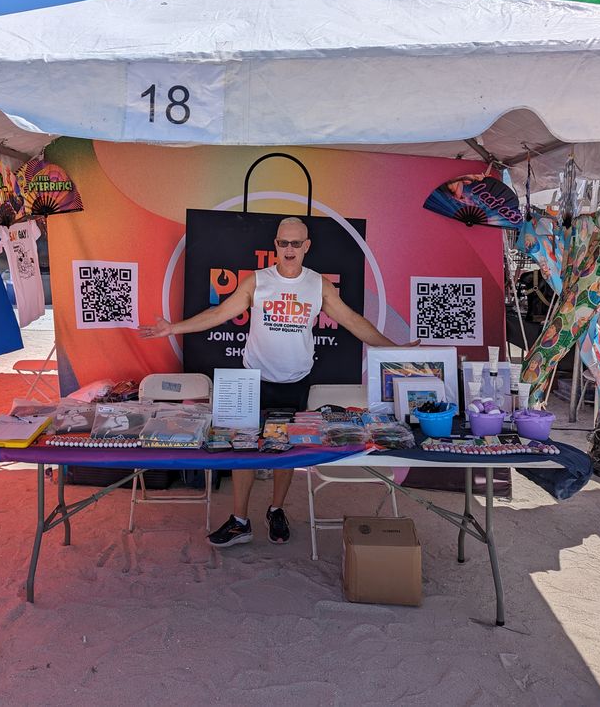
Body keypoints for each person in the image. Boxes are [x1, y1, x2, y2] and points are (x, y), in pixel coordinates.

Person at [140, 217, 412, 548]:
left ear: (307, 246)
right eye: (283, 243)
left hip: (294, 381)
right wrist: (173, 328)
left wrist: (392, 348)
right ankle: (240, 520)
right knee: (242, 448)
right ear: (275, 245)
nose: (289, 249)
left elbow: (354, 321)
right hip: (253, 378)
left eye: (296, 243)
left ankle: (276, 509)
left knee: (285, 450)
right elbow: (219, 313)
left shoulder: (318, 285)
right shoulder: (258, 282)